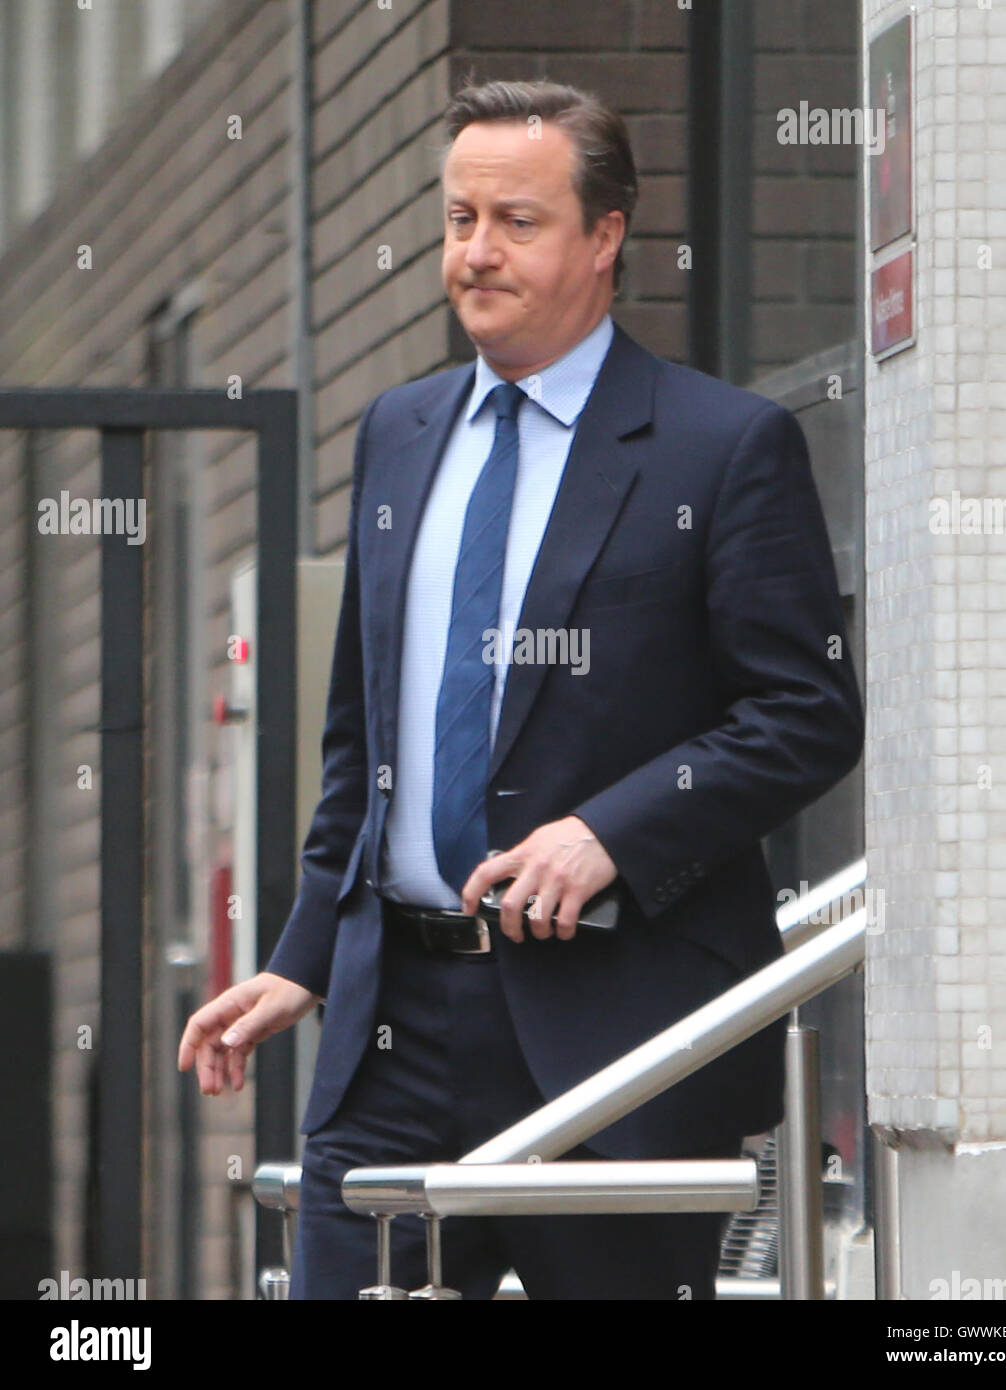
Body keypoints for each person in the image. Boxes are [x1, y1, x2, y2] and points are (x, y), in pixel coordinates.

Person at [178, 77, 864, 1300]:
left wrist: (611, 830)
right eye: (457, 219)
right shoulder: (398, 430)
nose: (475, 252)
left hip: (617, 1039)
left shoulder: (723, 446)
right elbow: (365, 735)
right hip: (391, 1033)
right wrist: (305, 957)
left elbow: (807, 712)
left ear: (606, 238)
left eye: (517, 221)